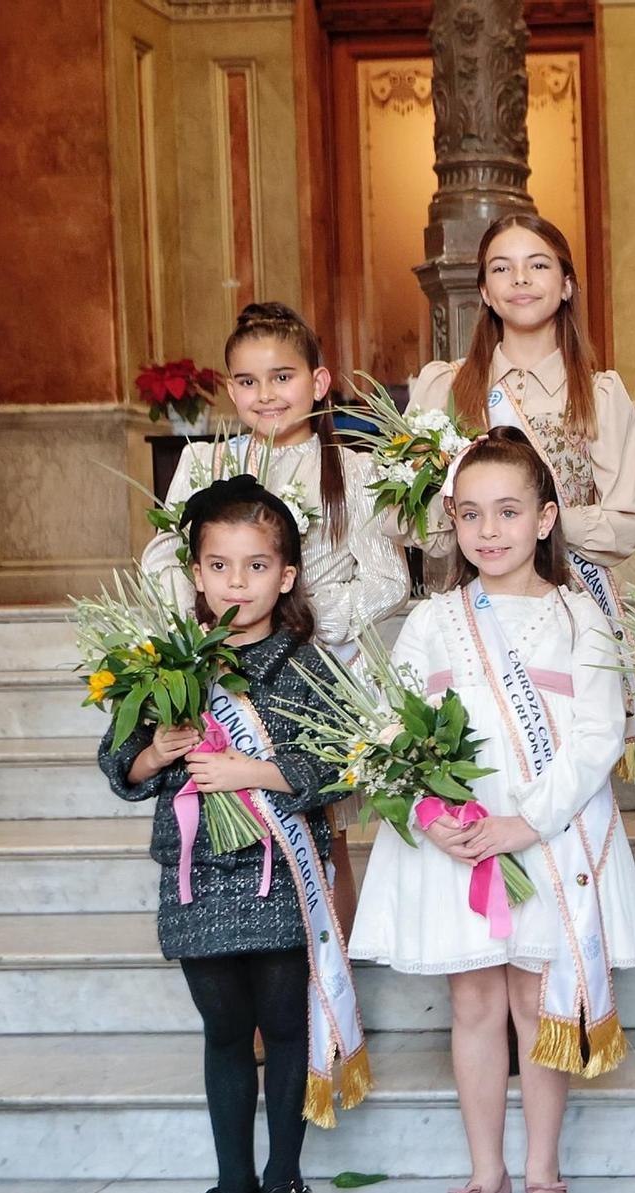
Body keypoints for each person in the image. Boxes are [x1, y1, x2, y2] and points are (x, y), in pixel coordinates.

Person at [349, 429, 635, 1193]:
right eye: (472, 513)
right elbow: (392, 727)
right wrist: (431, 811)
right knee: (475, 1000)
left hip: (544, 835)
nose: (490, 530)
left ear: (547, 517)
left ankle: (543, 1167)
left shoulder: (581, 615)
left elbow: (597, 735)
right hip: (456, 839)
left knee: (535, 996)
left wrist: (525, 820)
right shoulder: (431, 620)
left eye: (510, 511)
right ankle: (485, 1172)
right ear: (451, 520)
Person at [103, 476, 363, 1193]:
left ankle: (284, 1177)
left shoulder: (308, 665)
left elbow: (348, 762)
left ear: (285, 577)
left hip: (279, 873)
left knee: (283, 1026)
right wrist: (155, 750)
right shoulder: (163, 663)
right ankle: (233, 1184)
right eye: (220, 566)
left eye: (255, 567)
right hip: (195, 875)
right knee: (224, 1029)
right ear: (196, 573)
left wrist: (256, 772)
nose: (236, 584)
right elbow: (118, 763)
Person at [141, 302, 407, 920]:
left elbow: (388, 578)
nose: (265, 395)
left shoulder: (356, 470)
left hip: (313, 670)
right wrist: (208, 627)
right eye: (247, 381)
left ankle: (326, 990)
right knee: (228, 830)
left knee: (322, 831)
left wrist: (298, 620)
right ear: (228, 385)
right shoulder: (203, 464)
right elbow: (163, 560)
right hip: (224, 673)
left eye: (282, 377)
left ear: (318, 382)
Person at [406, 213, 635, 747]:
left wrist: (544, 515)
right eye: (502, 268)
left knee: (569, 754)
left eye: (537, 265)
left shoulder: (600, 393)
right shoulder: (443, 387)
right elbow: (408, 521)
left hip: (570, 605)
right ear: (486, 293)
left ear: (565, 285)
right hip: (472, 602)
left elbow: (625, 524)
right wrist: (466, 517)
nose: (520, 279)